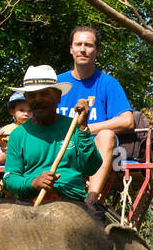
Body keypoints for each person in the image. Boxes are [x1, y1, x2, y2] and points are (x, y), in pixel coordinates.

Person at [2, 65, 103, 212]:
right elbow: (10, 179)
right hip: (29, 202)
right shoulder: (18, 135)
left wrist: (83, 128)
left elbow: (92, 167)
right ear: (26, 99)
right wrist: (33, 182)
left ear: (57, 95)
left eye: (44, 94)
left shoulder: (73, 127)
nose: (38, 100)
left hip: (71, 202)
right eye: (32, 95)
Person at [57, 26, 135, 212]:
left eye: (89, 45)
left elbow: (127, 121)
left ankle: (92, 200)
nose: (83, 49)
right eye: (78, 44)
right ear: (71, 49)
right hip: (62, 148)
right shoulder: (57, 84)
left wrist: (87, 128)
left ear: (97, 51)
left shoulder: (108, 83)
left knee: (107, 135)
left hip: (94, 150)